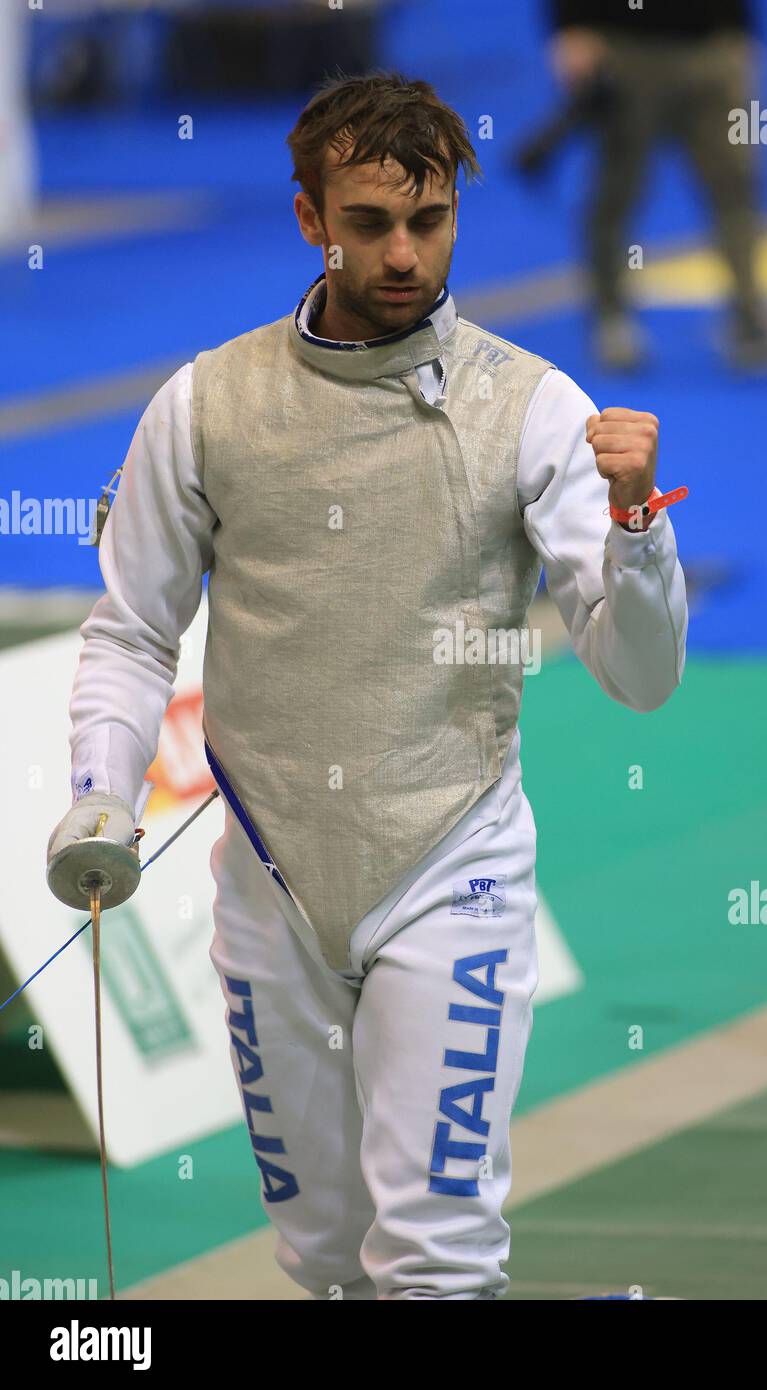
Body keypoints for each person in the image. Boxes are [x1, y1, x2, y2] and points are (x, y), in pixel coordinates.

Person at [46, 72, 688, 1301]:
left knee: (436, 1259)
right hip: (269, 889)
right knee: (327, 1265)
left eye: (430, 221)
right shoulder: (204, 407)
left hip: (453, 867)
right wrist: (100, 797)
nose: (404, 254)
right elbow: (131, 631)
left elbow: (639, 673)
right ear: (310, 219)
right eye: (370, 223)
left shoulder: (533, 406)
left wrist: (634, 520)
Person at [544, 0, 767, 371]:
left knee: (737, 184)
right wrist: (570, 25)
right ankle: (612, 320)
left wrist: (740, 29)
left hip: (714, 46)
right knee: (617, 191)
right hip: (626, 48)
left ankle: (750, 319)